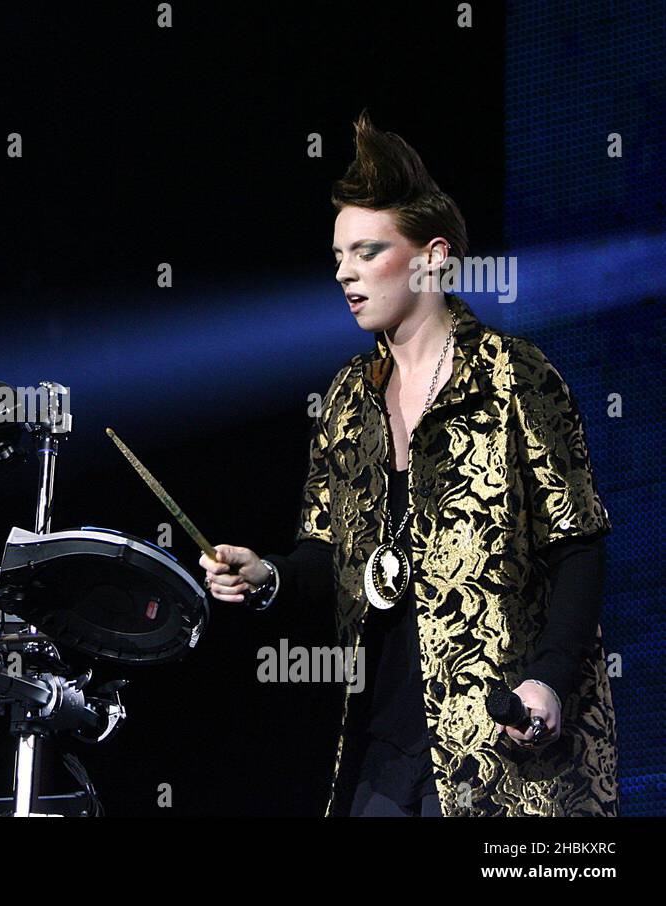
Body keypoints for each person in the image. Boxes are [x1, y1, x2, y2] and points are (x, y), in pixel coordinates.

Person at [201, 113, 616, 817]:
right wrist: (269, 575)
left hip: (501, 752)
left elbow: (578, 544)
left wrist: (546, 680)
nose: (344, 273)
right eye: (338, 256)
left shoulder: (513, 377)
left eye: (367, 252)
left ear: (432, 257)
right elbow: (327, 557)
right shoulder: (344, 400)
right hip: (383, 754)